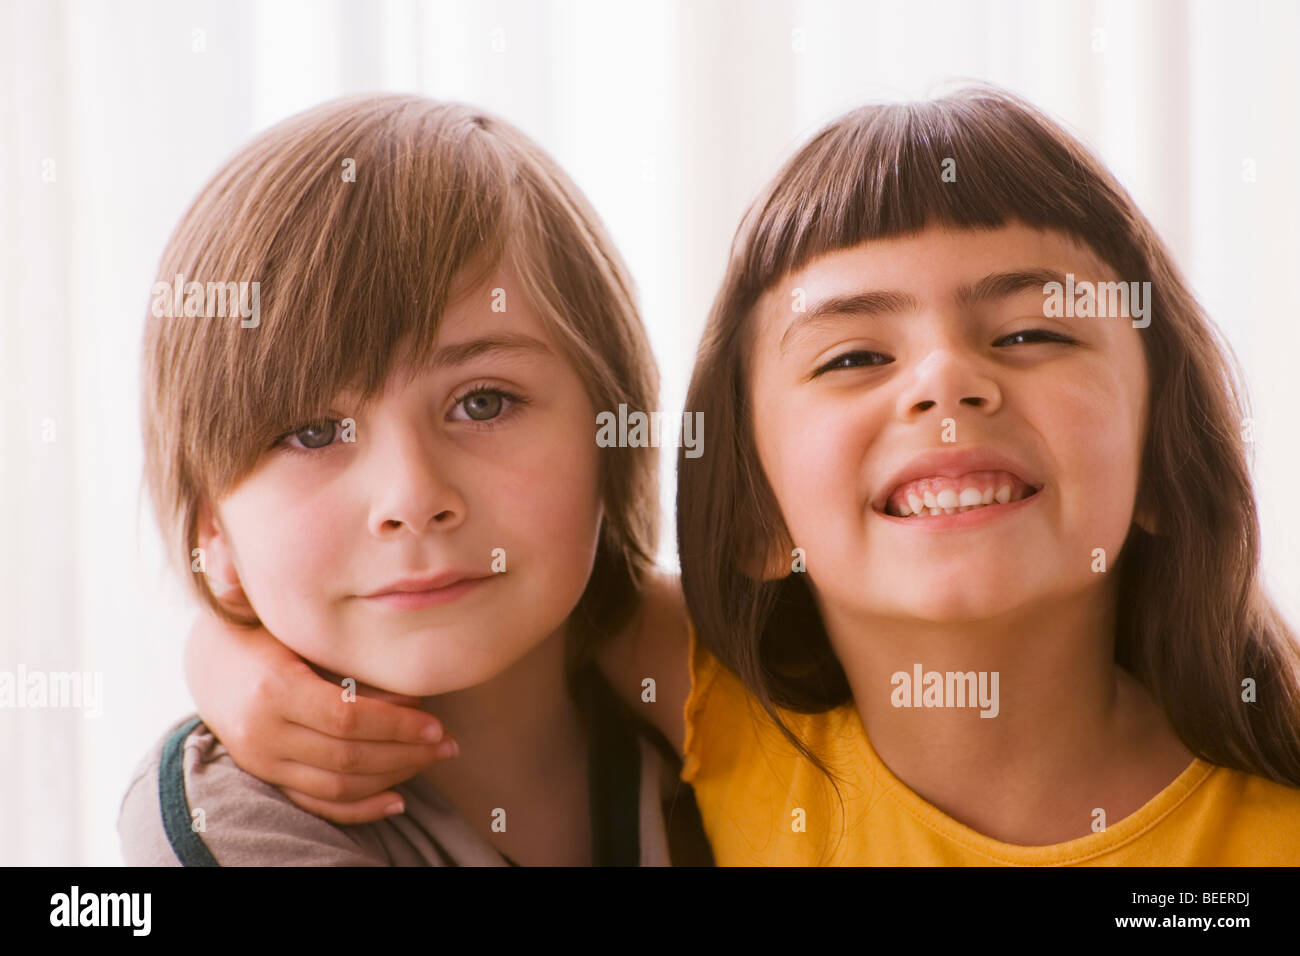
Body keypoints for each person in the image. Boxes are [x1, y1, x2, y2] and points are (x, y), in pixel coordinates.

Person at [118, 93, 710, 867]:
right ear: (211, 529)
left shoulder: (718, 737)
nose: (413, 499)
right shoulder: (229, 824)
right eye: (313, 433)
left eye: (484, 402)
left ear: (613, 436)